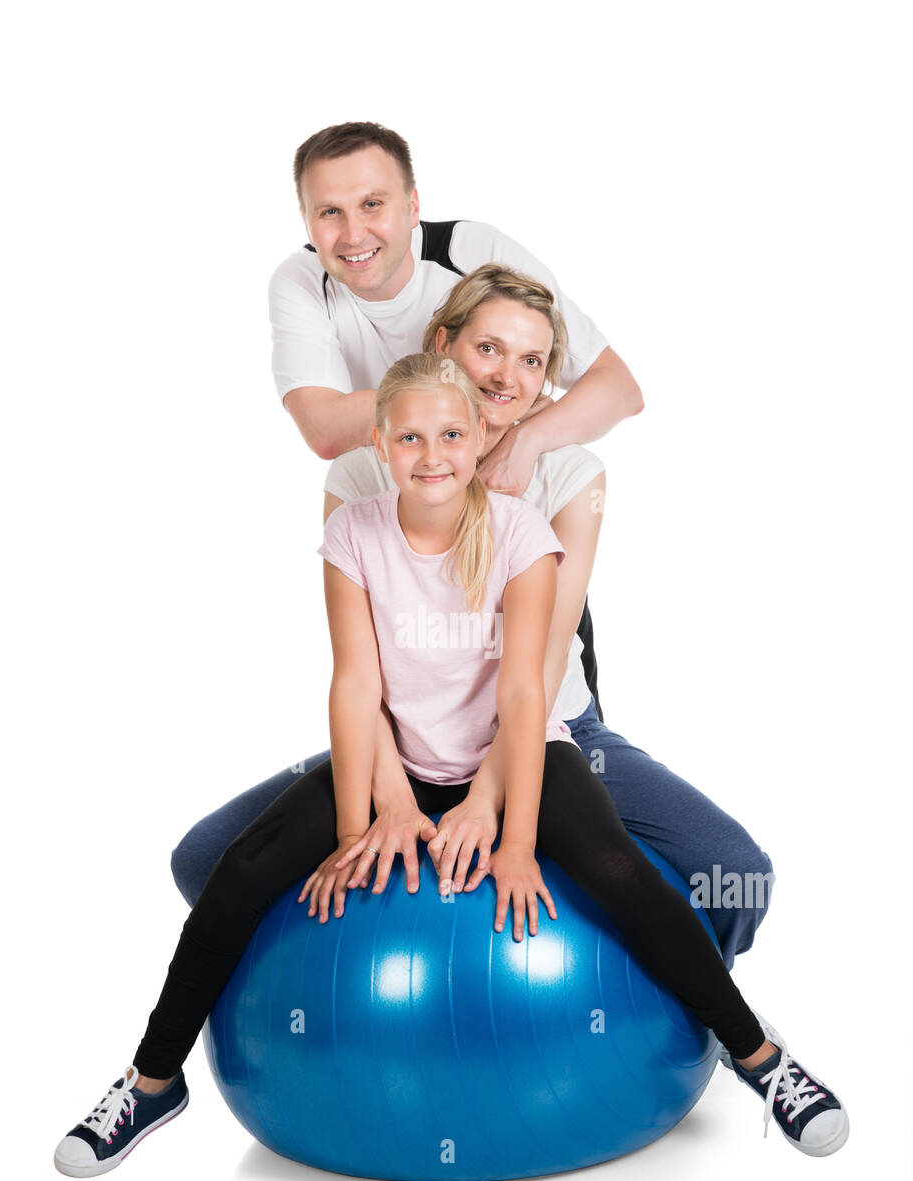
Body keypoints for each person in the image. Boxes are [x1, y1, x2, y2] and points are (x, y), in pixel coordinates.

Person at [53, 355, 848, 1179]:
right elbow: (356, 683)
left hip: (517, 751)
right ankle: (151, 1082)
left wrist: (509, 837)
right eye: (410, 437)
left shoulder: (521, 535)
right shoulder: (351, 533)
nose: (431, 454)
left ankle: (760, 1060)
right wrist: (360, 825)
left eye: (452, 435)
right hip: (396, 760)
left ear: (478, 442)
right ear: (380, 443)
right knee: (241, 868)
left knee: (618, 868)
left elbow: (524, 694)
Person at [179, 259, 773, 968]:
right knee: (205, 861)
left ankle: (687, 1009)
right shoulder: (364, 474)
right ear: (442, 344)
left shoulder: (571, 475)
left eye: (530, 361)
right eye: (487, 348)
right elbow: (357, 675)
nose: (504, 376)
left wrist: (493, 798)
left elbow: (542, 668)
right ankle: (320, 1004)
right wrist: (390, 796)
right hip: (400, 736)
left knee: (737, 880)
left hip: (545, 731)